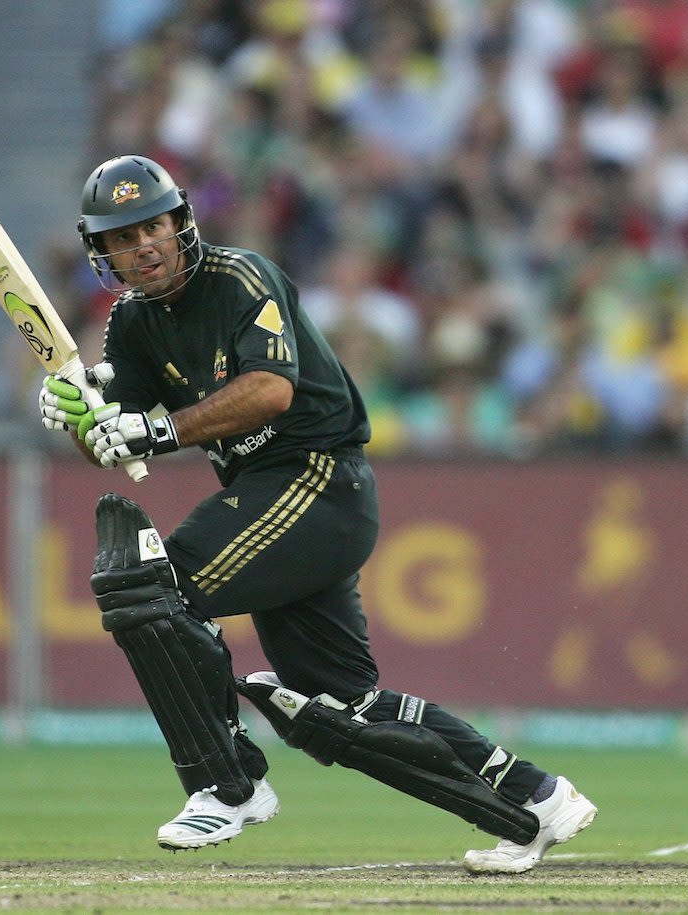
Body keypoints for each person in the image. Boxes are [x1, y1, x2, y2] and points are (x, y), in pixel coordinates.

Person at [36, 154, 596, 873]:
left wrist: (158, 429)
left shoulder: (242, 278)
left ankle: (227, 784)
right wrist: (80, 414)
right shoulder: (132, 323)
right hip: (279, 498)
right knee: (338, 707)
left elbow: (270, 389)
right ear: (104, 253)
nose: (144, 245)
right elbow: (114, 444)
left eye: (154, 226)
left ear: (181, 224)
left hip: (317, 477)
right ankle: (536, 799)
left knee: (150, 586)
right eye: (124, 237)